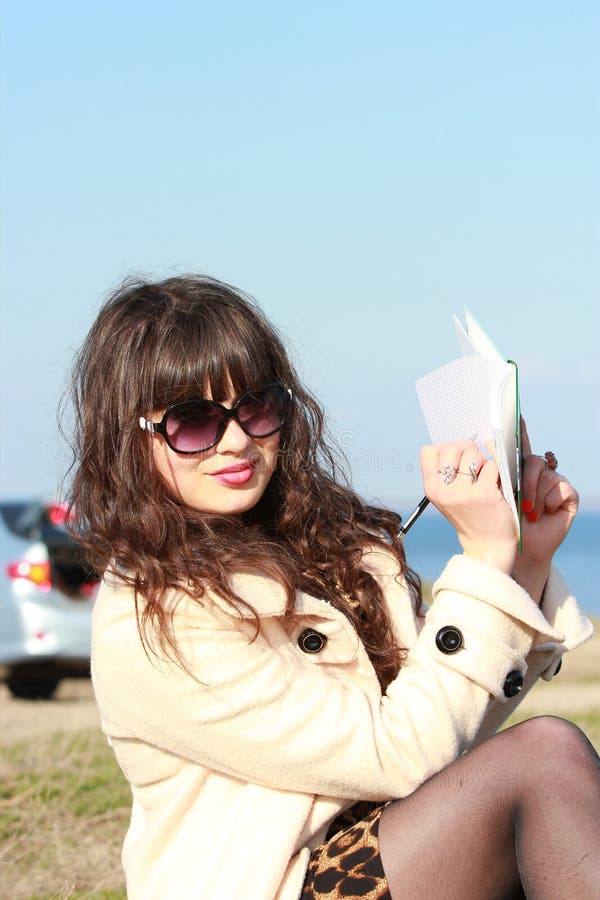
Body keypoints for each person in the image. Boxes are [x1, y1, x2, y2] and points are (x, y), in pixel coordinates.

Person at [67, 274, 598, 900]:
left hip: (391, 846)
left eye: (256, 407)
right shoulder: (151, 616)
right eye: (192, 422)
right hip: (281, 884)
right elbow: (398, 755)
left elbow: (445, 726)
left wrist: (525, 562)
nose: (236, 441)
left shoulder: (327, 544)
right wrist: (483, 560)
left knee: (545, 764)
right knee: (546, 757)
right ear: (130, 440)